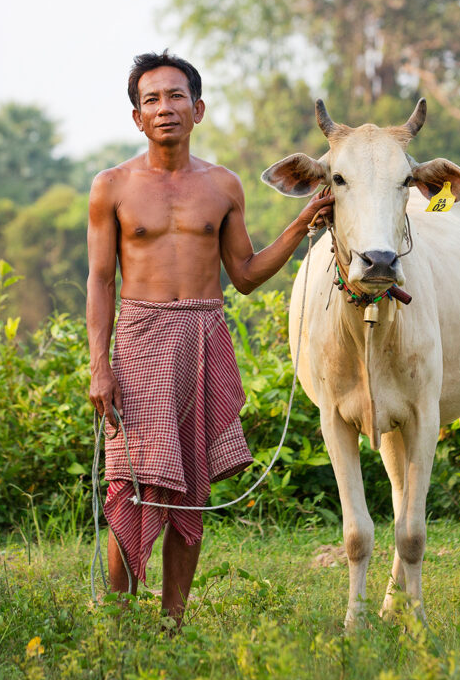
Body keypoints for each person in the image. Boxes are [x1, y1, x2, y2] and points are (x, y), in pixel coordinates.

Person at [86, 51, 332, 627]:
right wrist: (100, 366)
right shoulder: (112, 187)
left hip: (203, 338)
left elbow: (244, 275)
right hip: (141, 340)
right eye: (151, 100)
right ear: (137, 117)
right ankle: (117, 622)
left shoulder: (223, 186)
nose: (164, 108)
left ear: (197, 109)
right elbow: (100, 281)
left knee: (191, 488)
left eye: (176, 97)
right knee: (131, 485)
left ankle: (174, 622)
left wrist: (299, 225)